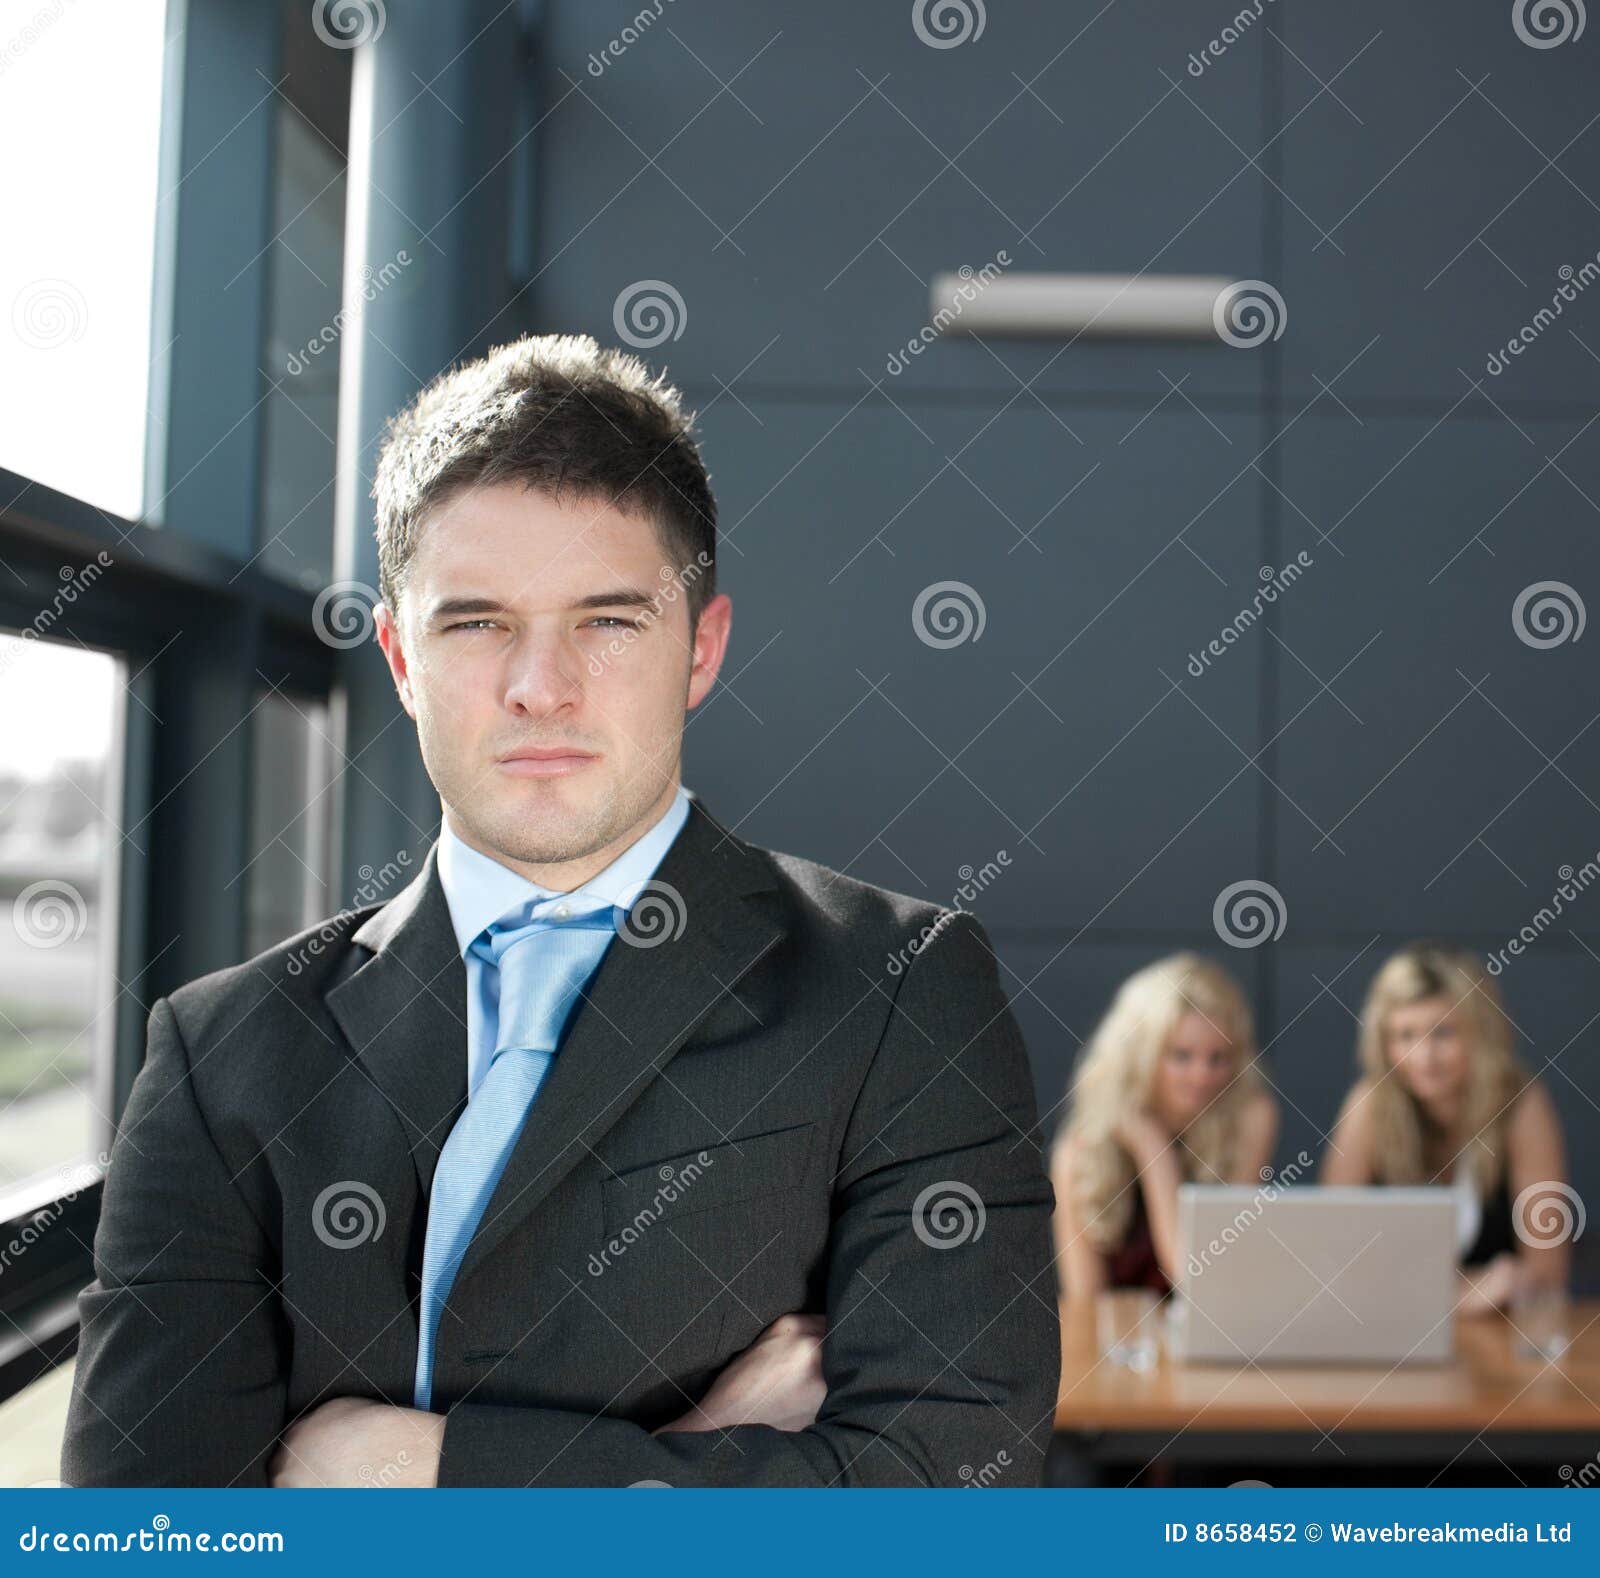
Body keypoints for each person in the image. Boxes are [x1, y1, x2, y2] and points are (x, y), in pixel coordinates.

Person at [61, 333, 1058, 1487]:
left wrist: (400, 1471)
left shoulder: (900, 985)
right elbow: (141, 1540)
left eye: (610, 620)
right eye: (477, 622)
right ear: (397, 654)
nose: (542, 686)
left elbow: (941, 1488)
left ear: (700, 650)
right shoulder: (221, 1049)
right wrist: (678, 1463)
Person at [1321, 941, 1569, 1315]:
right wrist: (1461, 1295)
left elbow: (1548, 1275)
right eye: (1405, 1035)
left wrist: (1404, 1292)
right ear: (1382, 1042)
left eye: (1444, 1034)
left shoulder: (1520, 1105)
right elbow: (1330, 1265)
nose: (1425, 1057)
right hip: (1388, 1343)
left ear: (1480, 1036)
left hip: (1496, 1344)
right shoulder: (1369, 1104)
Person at [1049, 953, 1278, 1298]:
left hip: (1213, 1343)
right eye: (1181, 1056)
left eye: (1218, 1058)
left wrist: (1152, 1151)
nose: (1202, 1075)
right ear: (1141, 1055)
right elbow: (1085, 1302)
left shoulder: (1251, 1118)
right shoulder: (1081, 1150)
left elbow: (1202, 1281)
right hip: (1121, 1347)